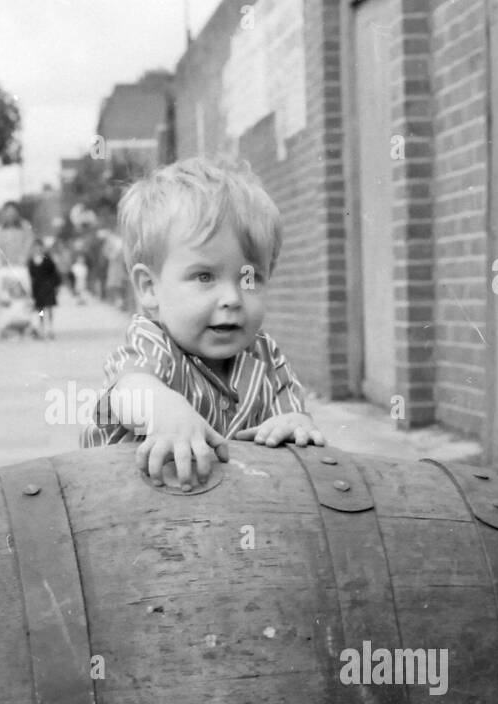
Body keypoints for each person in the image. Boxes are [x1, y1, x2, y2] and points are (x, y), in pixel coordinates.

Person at [80, 157, 325, 489]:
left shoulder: (265, 356)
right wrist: (165, 410)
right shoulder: (152, 343)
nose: (232, 298)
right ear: (149, 288)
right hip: (137, 513)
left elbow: (291, 416)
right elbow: (130, 389)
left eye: (249, 279)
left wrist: (294, 424)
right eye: (205, 276)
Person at [27, 238, 61, 340]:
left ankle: (50, 328)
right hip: (37, 288)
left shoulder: (47, 259)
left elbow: (54, 273)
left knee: (49, 308)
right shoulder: (31, 261)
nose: (37, 249)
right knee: (40, 309)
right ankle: (41, 327)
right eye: (35, 247)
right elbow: (30, 275)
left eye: (39, 247)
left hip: (48, 287)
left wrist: (55, 285)